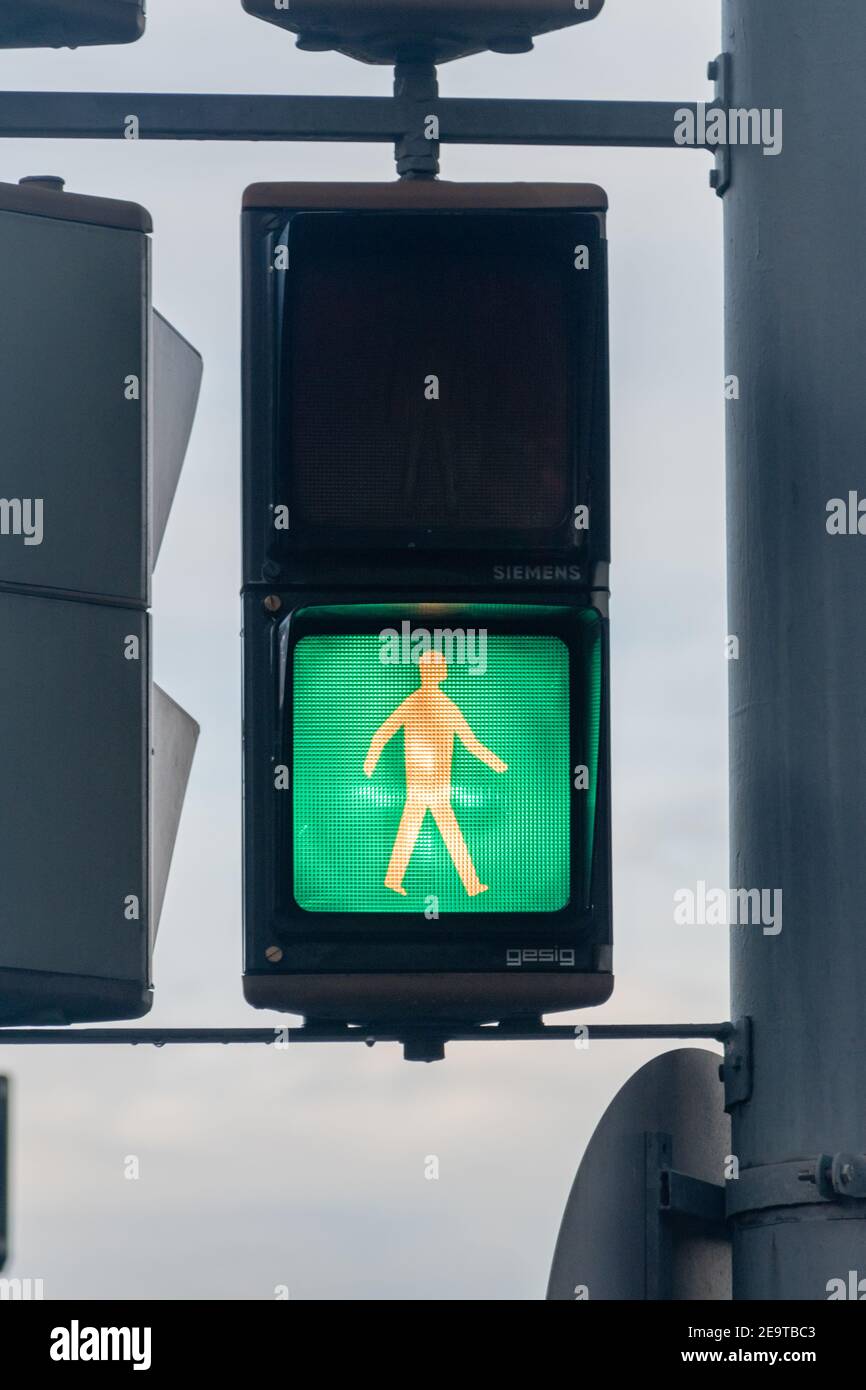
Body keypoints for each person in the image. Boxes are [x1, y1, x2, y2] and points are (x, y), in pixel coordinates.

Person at [364, 648, 508, 897]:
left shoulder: (441, 705)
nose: (442, 670)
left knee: (416, 832)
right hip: (426, 785)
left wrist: (495, 763)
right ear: (434, 672)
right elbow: (384, 731)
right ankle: (470, 884)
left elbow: (469, 741)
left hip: (433, 784)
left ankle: (397, 879)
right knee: (440, 833)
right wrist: (371, 757)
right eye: (439, 667)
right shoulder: (422, 703)